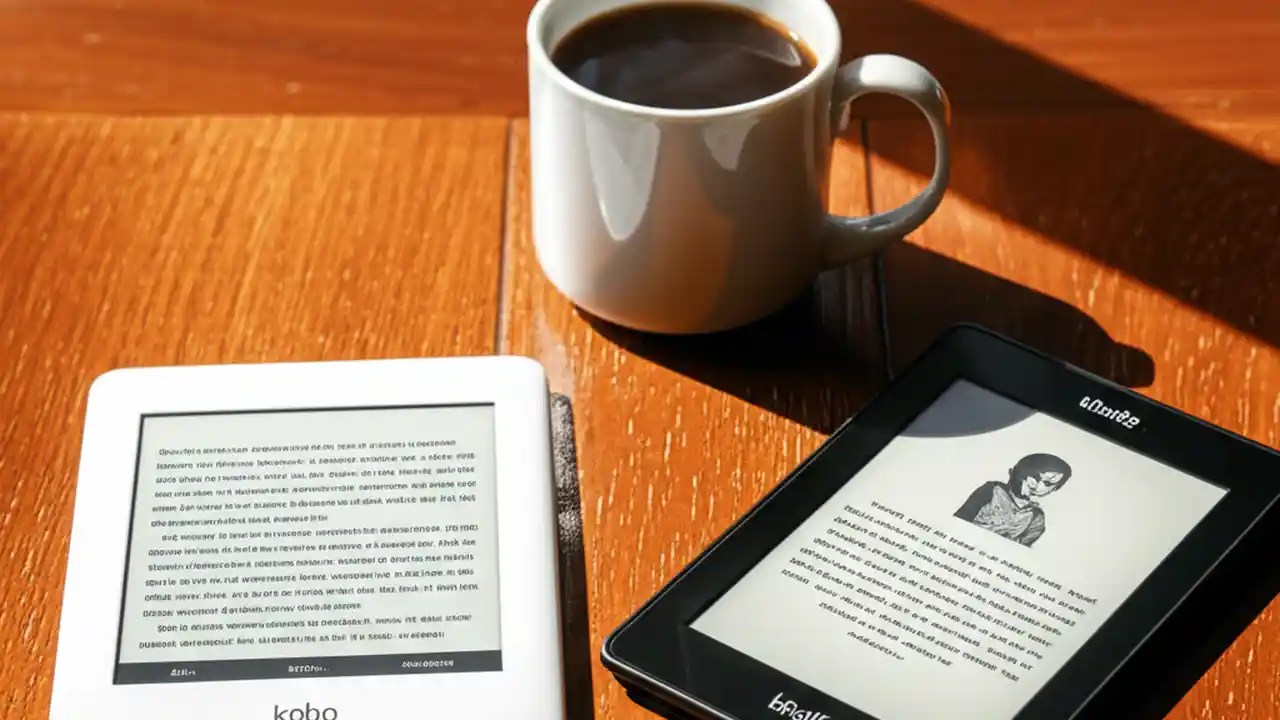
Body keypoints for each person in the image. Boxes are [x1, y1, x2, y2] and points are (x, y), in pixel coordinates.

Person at [953, 453, 1072, 547]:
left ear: (1054, 488)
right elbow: (959, 519)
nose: (1035, 484)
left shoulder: (1036, 518)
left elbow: (1021, 552)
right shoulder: (992, 490)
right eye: (1034, 476)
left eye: (1047, 483)